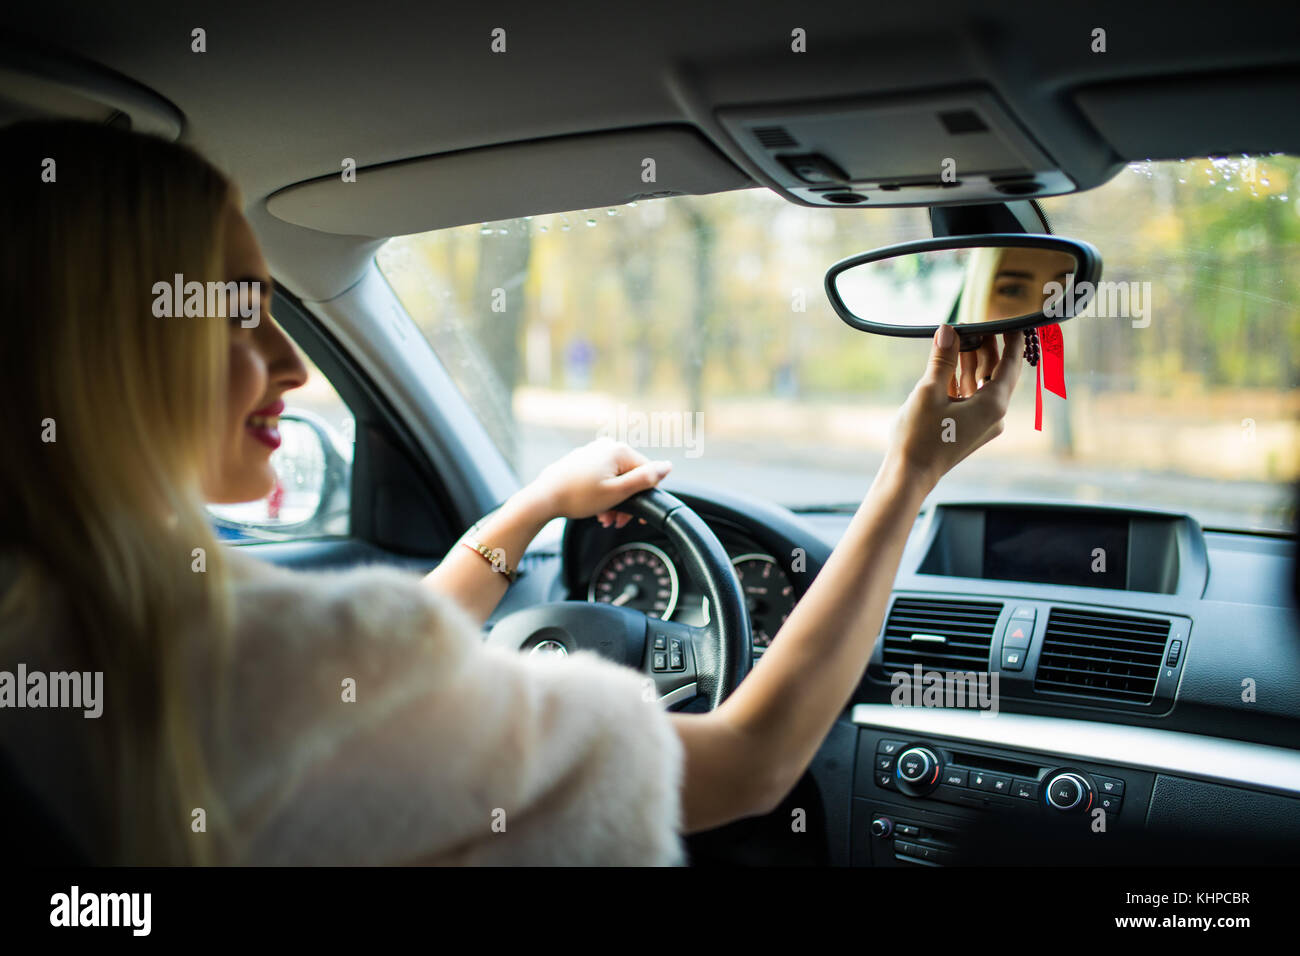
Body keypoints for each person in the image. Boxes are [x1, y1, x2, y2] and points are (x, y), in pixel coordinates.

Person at [0, 120, 1024, 865]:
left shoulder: (59, 620)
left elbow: (350, 691)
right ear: (102, 344)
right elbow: (744, 762)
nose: (290, 361)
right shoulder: (228, 658)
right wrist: (911, 472)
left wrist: (531, 507)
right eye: (237, 313)